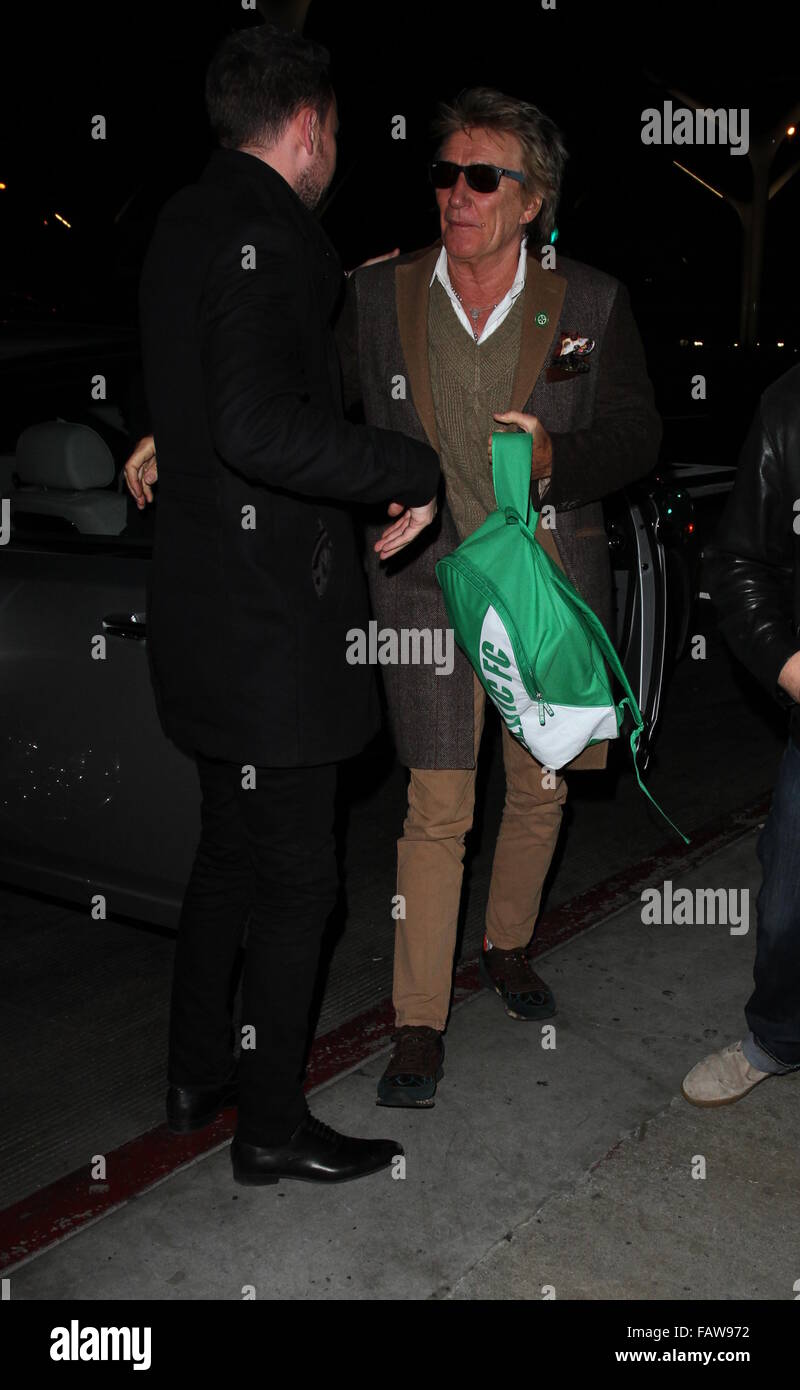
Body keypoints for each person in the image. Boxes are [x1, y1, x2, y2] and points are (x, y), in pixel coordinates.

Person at [131, 24, 439, 1184]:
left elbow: (210, 407)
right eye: (336, 136)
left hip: (201, 622)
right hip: (268, 643)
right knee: (301, 882)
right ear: (307, 126)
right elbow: (257, 424)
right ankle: (267, 1123)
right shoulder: (272, 233)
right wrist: (404, 468)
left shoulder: (181, 222)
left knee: (225, 857)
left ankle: (194, 1071)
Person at [336, 87, 662, 1107]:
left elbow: (640, 435)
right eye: (445, 174)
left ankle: (507, 942)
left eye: (483, 177)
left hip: (540, 582)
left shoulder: (588, 301)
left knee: (541, 785)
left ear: (533, 201)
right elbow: (303, 397)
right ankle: (417, 1022)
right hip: (427, 586)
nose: (457, 194)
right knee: (435, 806)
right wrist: (189, 422)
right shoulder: (379, 295)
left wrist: (558, 455)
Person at [682, 364, 800, 1106]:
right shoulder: (791, 407)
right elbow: (739, 563)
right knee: (790, 897)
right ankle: (778, 1039)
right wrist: (791, 668)